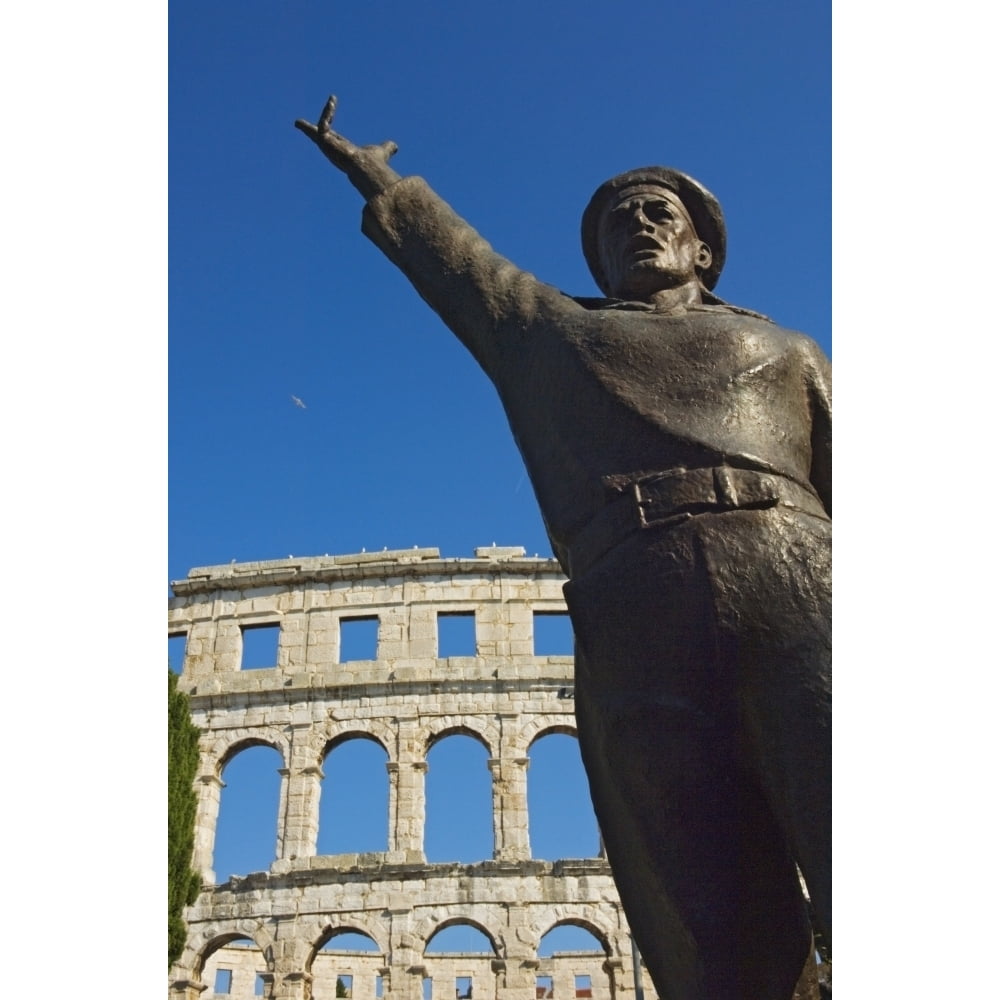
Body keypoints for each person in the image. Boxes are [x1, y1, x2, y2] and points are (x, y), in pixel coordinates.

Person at [296, 97, 831, 1000]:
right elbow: (464, 266)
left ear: (703, 249)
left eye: (660, 211)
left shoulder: (785, 346)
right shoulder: (559, 336)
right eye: (618, 222)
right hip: (638, 611)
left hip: (800, 578)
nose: (639, 224)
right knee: (711, 908)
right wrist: (381, 178)